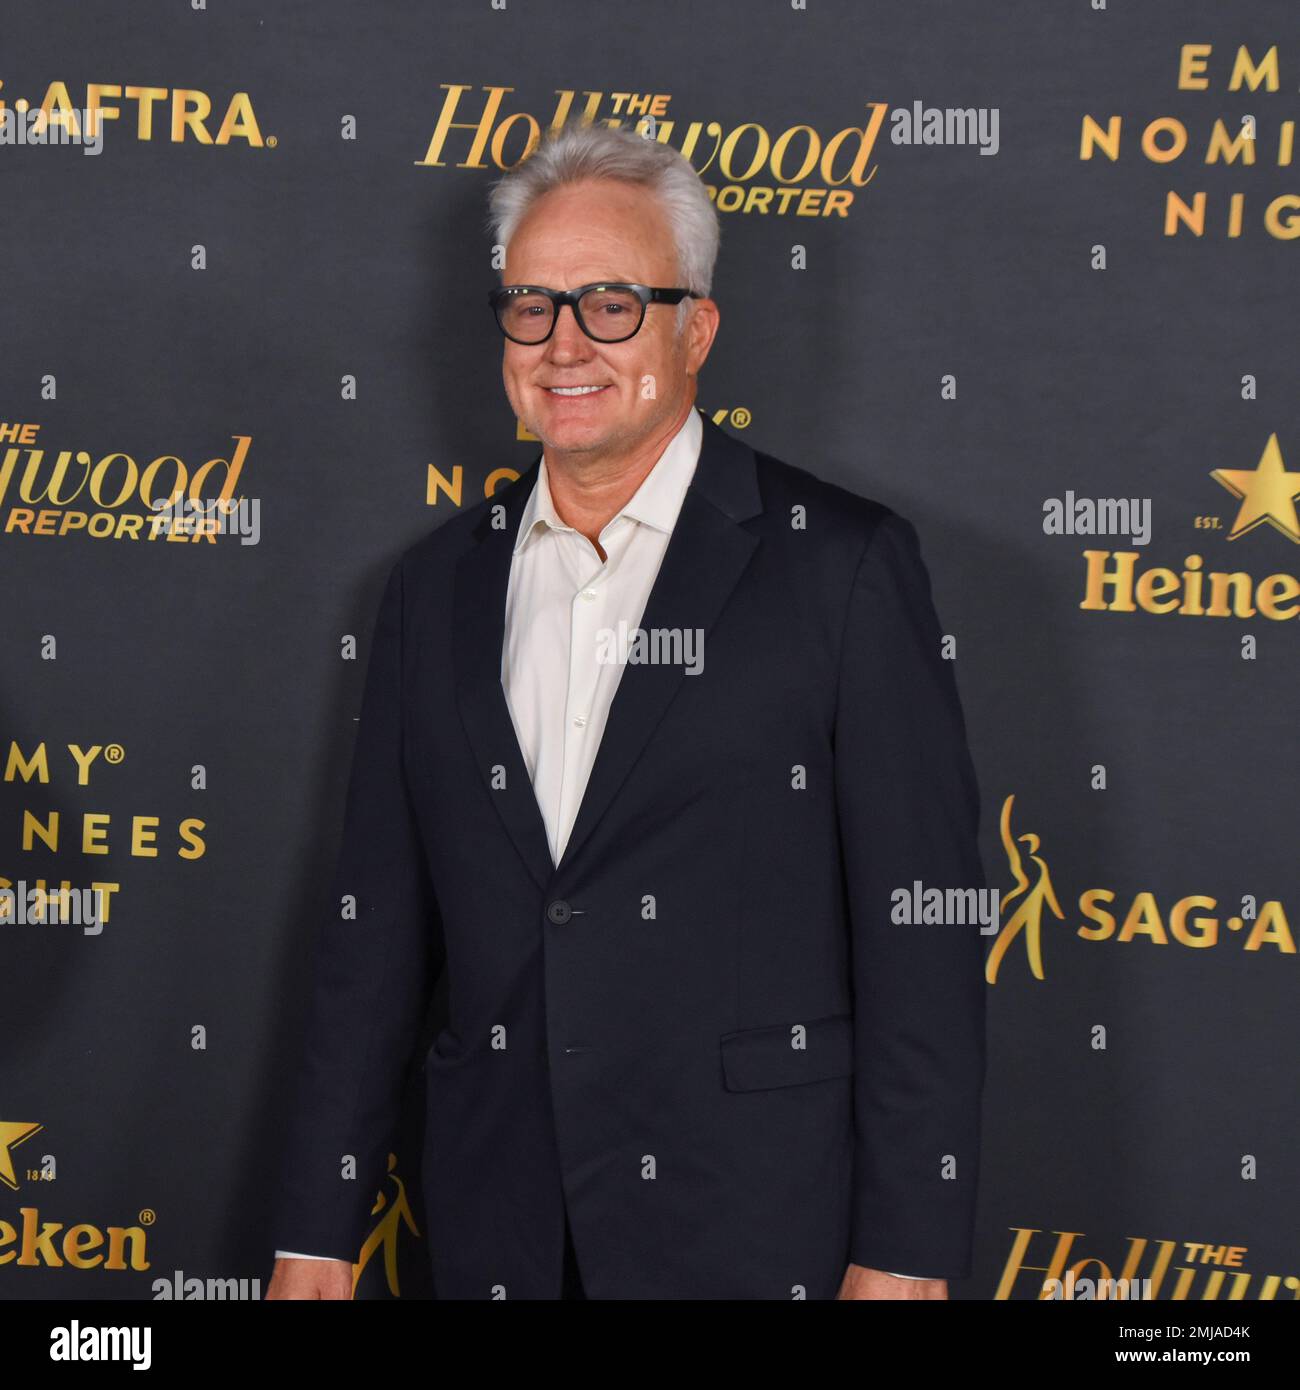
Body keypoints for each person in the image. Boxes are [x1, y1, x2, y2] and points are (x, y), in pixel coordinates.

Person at [267, 122, 986, 1301]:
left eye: (610, 304)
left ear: (694, 328)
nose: (564, 344)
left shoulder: (840, 568)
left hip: (758, 1230)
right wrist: (315, 1235)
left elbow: (924, 940)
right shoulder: (433, 588)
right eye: (532, 304)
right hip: (499, 1228)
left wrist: (904, 1256)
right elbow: (374, 941)